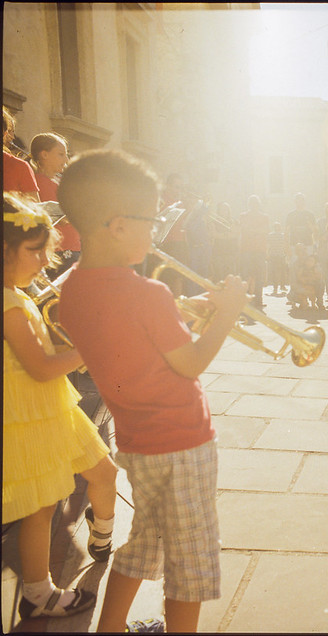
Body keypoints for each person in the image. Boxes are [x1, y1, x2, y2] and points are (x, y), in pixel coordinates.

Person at [57, 149, 249, 633]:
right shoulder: (149, 294)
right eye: (153, 220)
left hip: (137, 444)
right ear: (119, 225)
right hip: (183, 441)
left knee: (145, 543)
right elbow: (190, 363)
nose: (157, 231)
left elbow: (129, 341)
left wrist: (188, 310)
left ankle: (110, 627)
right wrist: (226, 314)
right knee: (190, 564)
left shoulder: (71, 292)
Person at [3, 194, 118, 619]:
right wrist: (90, 347)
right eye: (34, 251)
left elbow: (46, 349)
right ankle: (38, 593)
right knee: (40, 507)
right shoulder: (9, 304)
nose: (43, 261)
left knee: (104, 471)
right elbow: (40, 367)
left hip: (53, 408)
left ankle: (101, 533)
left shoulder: (17, 295)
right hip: (31, 413)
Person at [29, 132, 83, 277]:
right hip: (61, 252)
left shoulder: (61, 182)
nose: (66, 159)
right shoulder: (40, 182)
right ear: (44, 155)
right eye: (61, 154)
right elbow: (62, 217)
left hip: (73, 248)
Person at [239, 194, 270, 309]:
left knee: (259, 276)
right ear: (249, 204)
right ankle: (246, 299)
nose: (254, 205)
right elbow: (244, 228)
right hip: (246, 249)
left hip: (260, 249)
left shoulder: (265, 217)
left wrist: (252, 230)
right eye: (252, 203)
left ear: (258, 204)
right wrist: (257, 231)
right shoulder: (243, 216)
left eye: (255, 203)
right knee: (246, 275)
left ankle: (258, 300)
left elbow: (265, 230)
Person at [3, 108, 39, 201]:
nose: (12, 137)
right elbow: (35, 207)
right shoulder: (20, 167)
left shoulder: (20, 167)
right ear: (5, 133)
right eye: (10, 131)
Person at [209, 201, 238, 281]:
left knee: (230, 275)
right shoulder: (214, 222)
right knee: (219, 275)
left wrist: (222, 235)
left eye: (226, 209)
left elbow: (235, 234)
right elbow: (214, 234)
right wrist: (227, 235)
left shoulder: (233, 221)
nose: (224, 211)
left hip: (230, 252)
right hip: (218, 252)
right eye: (222, 209)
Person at [266, 221, 289, 295]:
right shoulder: (283, 235)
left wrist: (267, 254)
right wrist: (287, 254)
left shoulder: (270, 235)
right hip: (281, 255)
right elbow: (286, 245)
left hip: (273, 255)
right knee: (282, 271)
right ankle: (282, 285)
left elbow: (268, 245)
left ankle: (276, 287)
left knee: (274, 272)